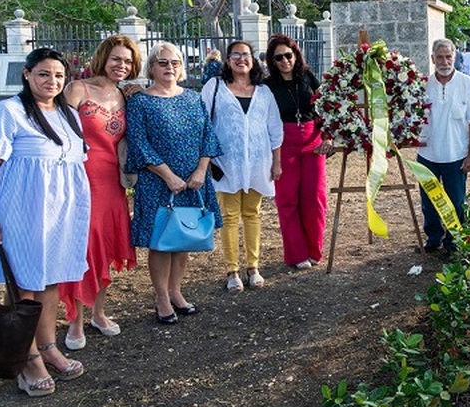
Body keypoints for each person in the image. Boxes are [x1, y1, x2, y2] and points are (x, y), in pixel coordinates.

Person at [0, 48, 90, 397]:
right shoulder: (8, 112)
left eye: (57, 75)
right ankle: (27, 358)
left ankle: (49, 345)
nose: (51, 81)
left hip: (58, 214)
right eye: (43, 74)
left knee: (49, 280)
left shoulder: (67, 113)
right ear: (26, 74)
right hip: (21, 212)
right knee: (23, 286)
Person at [125, 42, 222, 324]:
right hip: (158, 182)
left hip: (194, 181)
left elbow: (208, 136)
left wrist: (201, 171)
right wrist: (168, 176)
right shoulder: (141, 101)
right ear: (152, 67)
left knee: (183, 240)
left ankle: (176, 292)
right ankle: (161, 298)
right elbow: (139, 143)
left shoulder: (193, 98)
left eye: (175, 63)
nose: (170, 68)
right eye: (163, 62)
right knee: (161, 241)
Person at [58, 36, 140, 352]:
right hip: (80, 181)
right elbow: (57, 131)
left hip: (112, 185)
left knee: (103, 249)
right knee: (81, 250)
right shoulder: (78, 89)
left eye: (128, 61)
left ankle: (99, 313)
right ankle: (75, 321)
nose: (122, 65)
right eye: (117, 59)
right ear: (104, 57)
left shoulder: (126, 95)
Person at [202, 41, 283, 293]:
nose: (241, 59)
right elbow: (203, 123)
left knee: (253, 214)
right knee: (228, 216)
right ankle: (232, 270)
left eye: (245, 55)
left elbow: (275, 129)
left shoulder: (264, 92)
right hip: (226, 163)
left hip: (258, 162)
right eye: (235, 55)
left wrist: (276, 162)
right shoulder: (214, 87)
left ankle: (253, 267)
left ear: (253, 60)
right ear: (227, 60)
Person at [264, 34, 332, 269]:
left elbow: (327, 108)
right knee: (287, 199)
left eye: (288, 55)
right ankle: (296, 253)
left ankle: (314, 250)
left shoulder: (308, 78)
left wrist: (328, 136)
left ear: (296, 54)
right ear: (272, 61)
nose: (284, 61)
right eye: (278, 58)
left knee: (315, 198)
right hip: (284, 143)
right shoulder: (268, 86)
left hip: (313, 142)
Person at [417, 38, 470, 252]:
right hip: (428, 156)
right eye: (440, 57)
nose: (444, 61)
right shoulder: (422, 85)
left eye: (448, 57)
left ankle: (454, 241)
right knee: (429, 203)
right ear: (432, 59)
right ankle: (433, 238)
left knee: (456, 202)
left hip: (456, 155)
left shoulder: (467, 84)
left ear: (454, 58)